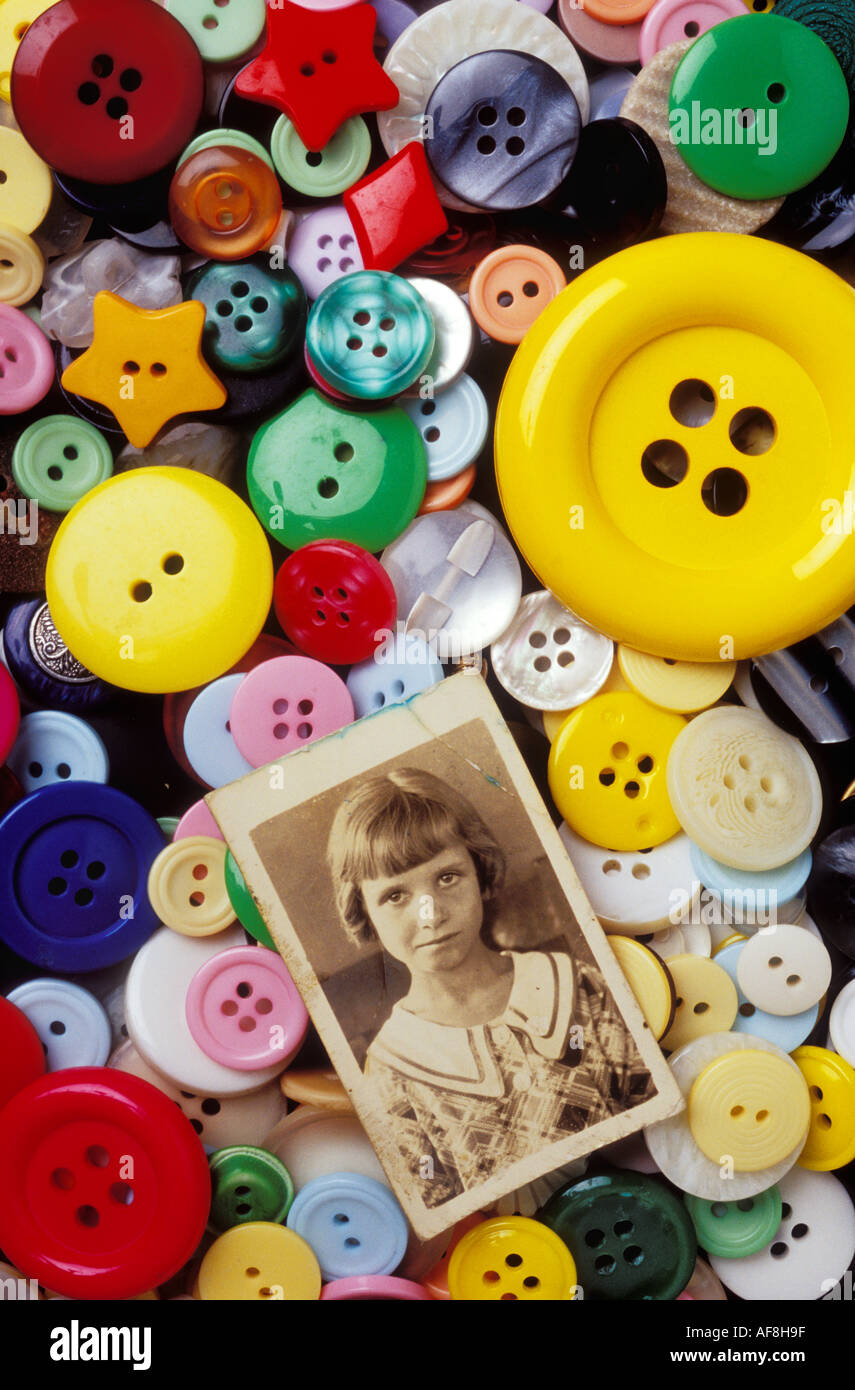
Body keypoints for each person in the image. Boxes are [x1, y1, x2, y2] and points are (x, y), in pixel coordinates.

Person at [327, 767, 654, 1207]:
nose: (430, 915)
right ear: (364, 911)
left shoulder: (573, 985)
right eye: (396, 896)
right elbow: (438, 1211)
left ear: (480, 874)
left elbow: (654, 1121)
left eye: (446, 878)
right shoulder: (390, 1071)